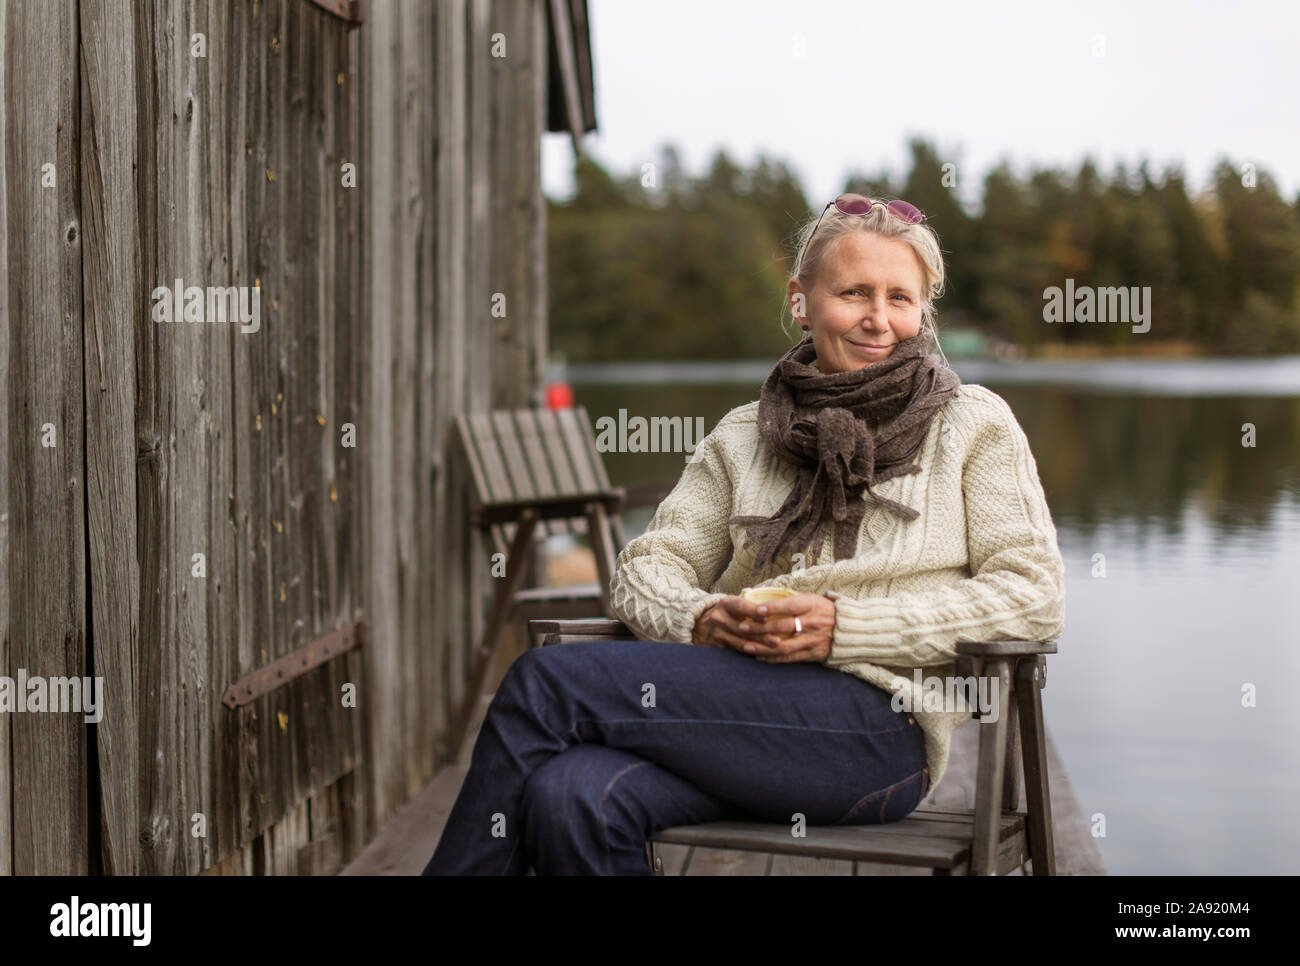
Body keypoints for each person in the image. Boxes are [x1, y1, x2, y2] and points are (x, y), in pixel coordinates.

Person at [422, 193, 1066, 876]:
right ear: (800, 300)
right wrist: (702, 619)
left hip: (877, 734)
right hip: (736, 708)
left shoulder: (972, 423)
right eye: (854, 293)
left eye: (900, 298)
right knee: (571, 797)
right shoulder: (743, 434)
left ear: (923, 309)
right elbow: (646, 566)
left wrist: (844, 628)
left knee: (545, 684)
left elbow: (1033, 596)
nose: (880, 319)